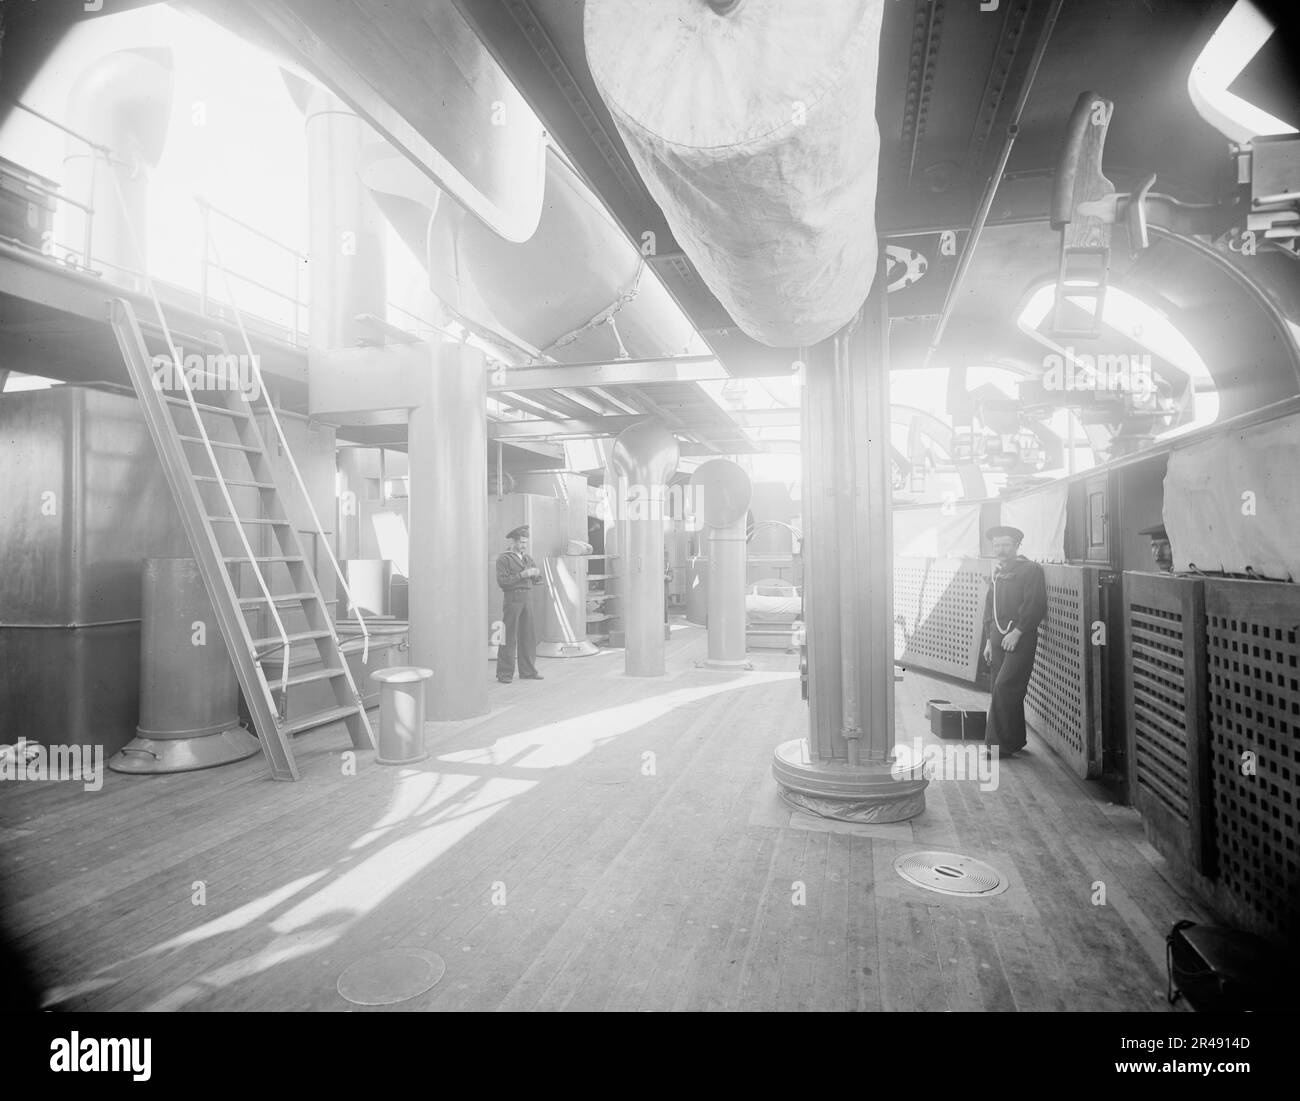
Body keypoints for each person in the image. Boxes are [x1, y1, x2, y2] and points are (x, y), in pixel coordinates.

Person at [981, 525, 1047, 758]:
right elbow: (990, 608)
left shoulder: (1031, 570)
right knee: (1002, 689)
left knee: (1005, 687)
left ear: (1017, 546)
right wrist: (989, 640)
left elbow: (1035, 604)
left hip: (1020, 637)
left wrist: (1018, 632)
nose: (1001, 550)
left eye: (1006, 545)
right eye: (997, 545)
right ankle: (1015, 740)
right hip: (998, 637)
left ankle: (997, 747)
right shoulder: (998, 572)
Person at [495, 525, 544, 684]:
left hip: (527, 599)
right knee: (508, 637)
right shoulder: (504, 558)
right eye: (522, 542)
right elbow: (502, 582)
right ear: (514, 542)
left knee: (528, 637)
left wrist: (536, 574)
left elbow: (538, 580)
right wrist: (522, 575)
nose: (524, 545)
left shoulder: (527, 558)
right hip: (513, 600)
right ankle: (504, 674)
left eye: (526, 542)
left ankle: (528, 672)